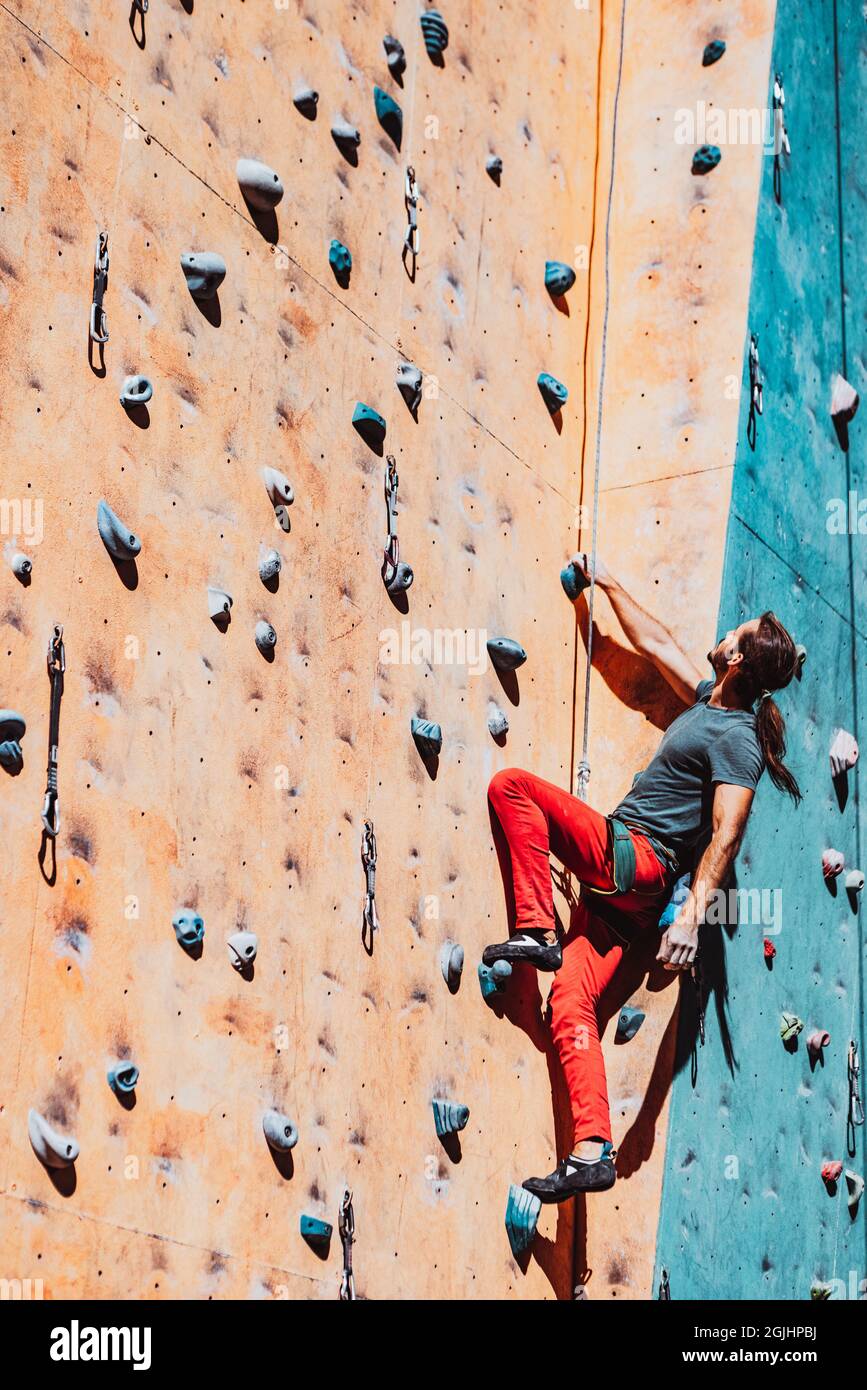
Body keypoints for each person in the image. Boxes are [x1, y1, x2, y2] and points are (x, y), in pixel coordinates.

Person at [484, 554, 801, 1202]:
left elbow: (726, 832)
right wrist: (606, 582)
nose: (722, 634)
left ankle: (534, 929)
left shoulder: (737, 739)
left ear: (737, 659)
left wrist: (689, 919)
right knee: (569, 1005)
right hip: (618, 905)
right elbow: (655, 640)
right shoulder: (703, 703)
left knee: (513, 789)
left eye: (733, 633)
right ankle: (591, 1150)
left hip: (634, 857)